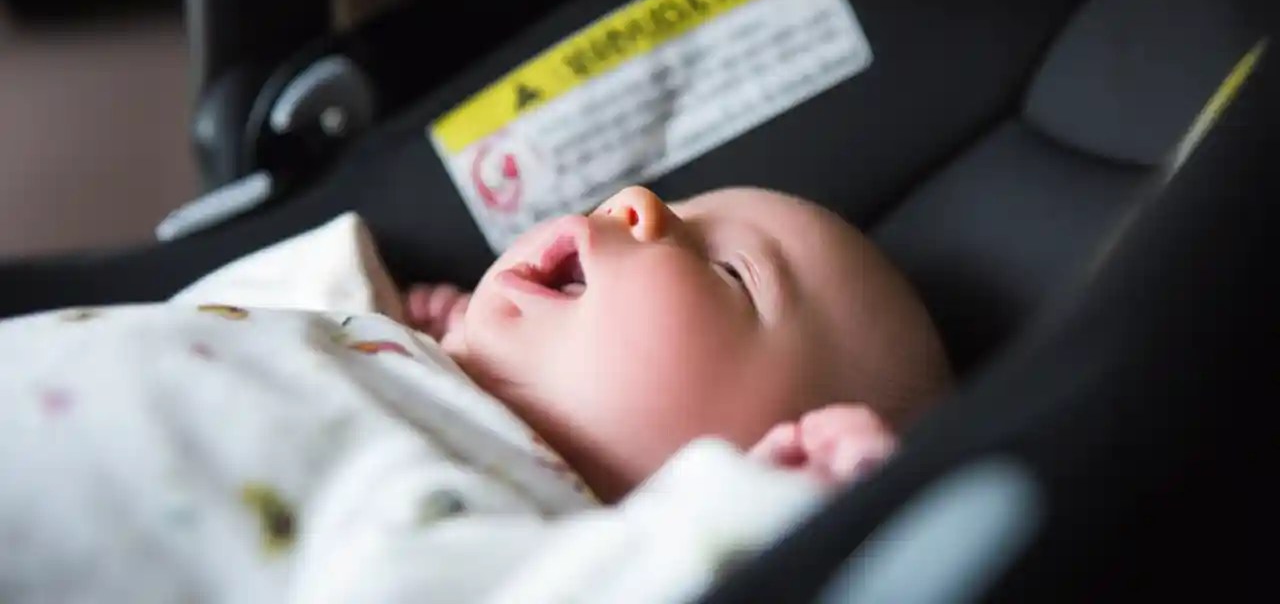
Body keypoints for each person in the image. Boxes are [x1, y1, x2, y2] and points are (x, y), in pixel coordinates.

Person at [0, 185, 950, 603]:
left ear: (753, 450)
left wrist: (763, 512)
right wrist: (402, 327)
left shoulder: (502, 522)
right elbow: (219, 321)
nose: (637, 202)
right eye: (682, 201)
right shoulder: (400, 362)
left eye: (734, 272)